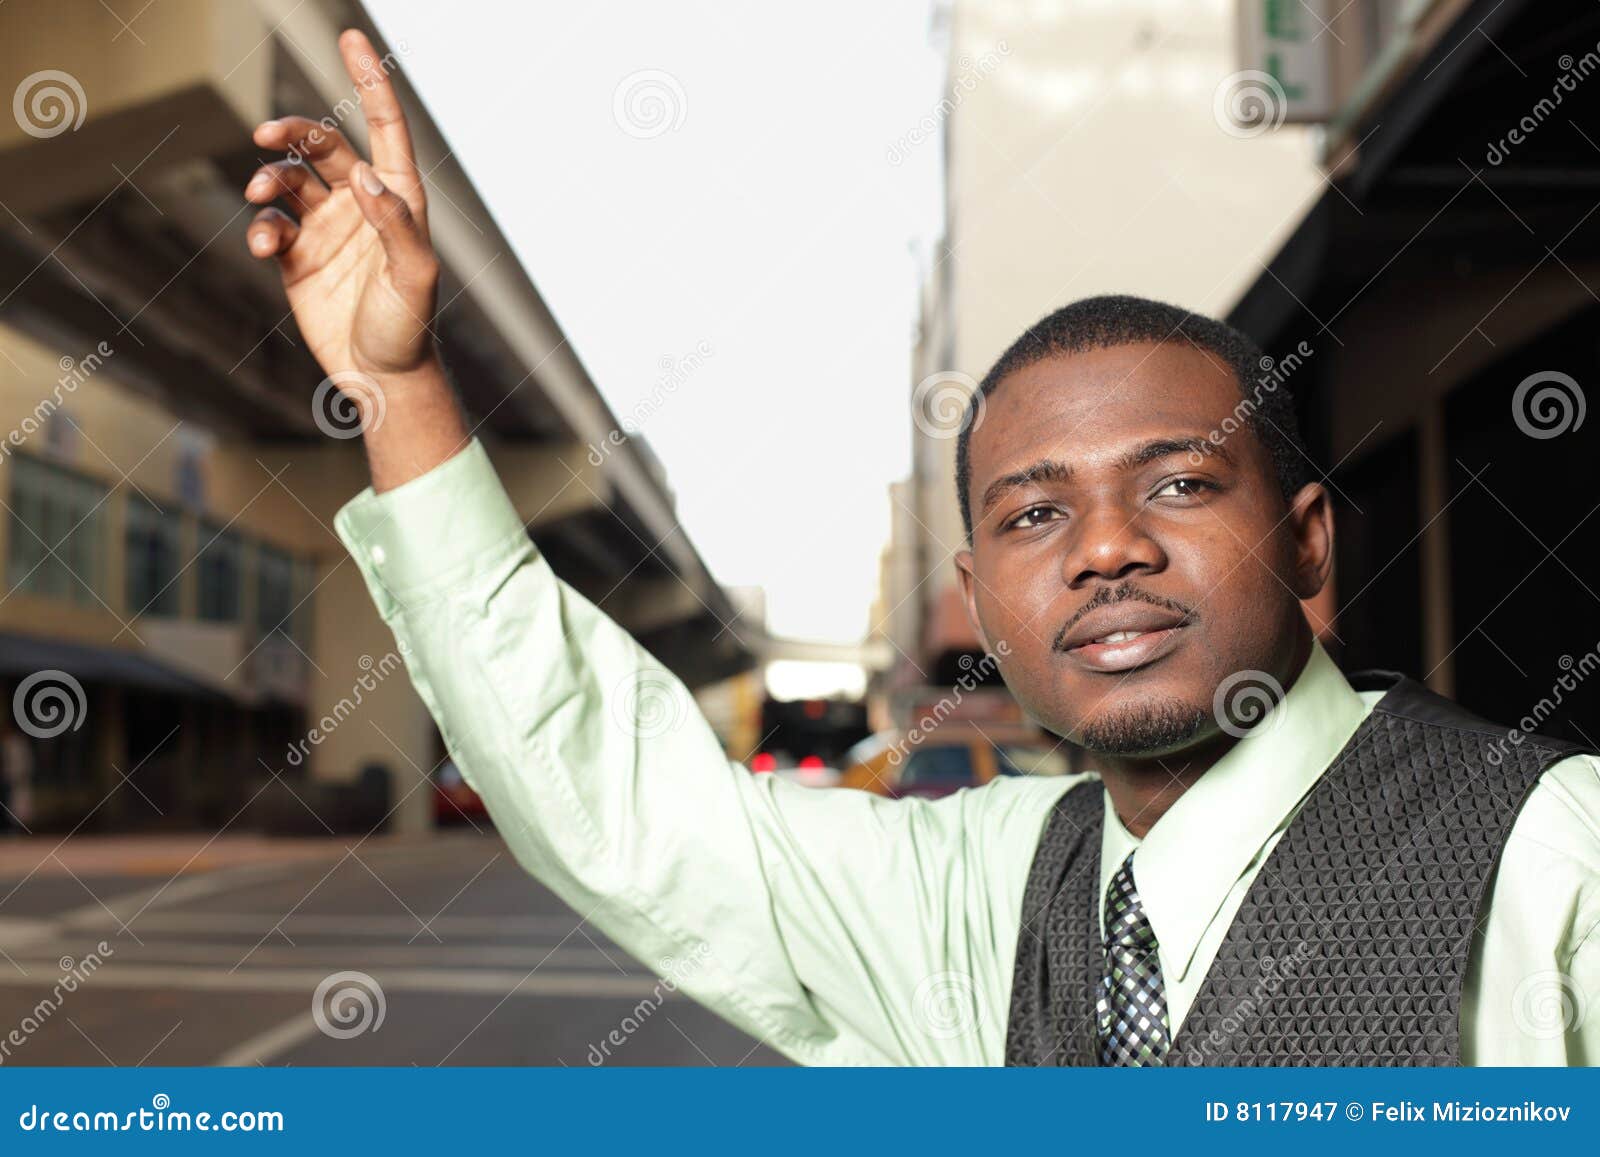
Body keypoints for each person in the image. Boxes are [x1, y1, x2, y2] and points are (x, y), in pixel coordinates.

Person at [243, 30, 1600, 1066]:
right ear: (982, 603)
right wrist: (404, 389)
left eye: (1178, 484)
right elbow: (614, 793)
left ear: (1309, 546)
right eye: (1033, 512)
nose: (1106, 549)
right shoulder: (979, 892)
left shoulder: (1554, 859)